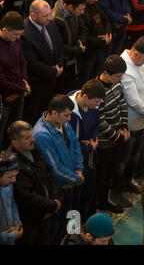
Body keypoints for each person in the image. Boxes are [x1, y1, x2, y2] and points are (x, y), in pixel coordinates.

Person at [112, 38, 144, 208]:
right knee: (122, 159)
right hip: (129, 120)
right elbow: (132, 100)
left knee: (136, 154)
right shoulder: (124, 67)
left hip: (143, 117)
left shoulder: (141, 63)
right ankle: (116, 191)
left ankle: (127, 182)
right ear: (136, 53)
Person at [33, 95, 84, 244]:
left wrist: (79, 170)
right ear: (54, 113)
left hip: (72, 182)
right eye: (66, 115)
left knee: (71, 221)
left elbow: (75, 145)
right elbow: (55, 168)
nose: (69, 119)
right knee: (55, 229)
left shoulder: (63, 124)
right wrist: (77, 179)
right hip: (59, 188)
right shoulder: (42, 135)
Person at [8, 120, 60, 245]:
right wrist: (52, 206)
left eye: (31, 135)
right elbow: (25, 196)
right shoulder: (11, 164)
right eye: (27, 138)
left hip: (46, 215)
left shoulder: (35, 150)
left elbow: (49, 175)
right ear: (15, 143)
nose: (33, 139)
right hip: (30, 221)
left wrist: (55, 199)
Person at [67, 80, 104, 223]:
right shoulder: (69, 111)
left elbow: (96, 125)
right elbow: (70, 143)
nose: (98, 104)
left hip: (89, 156)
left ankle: (84, 224)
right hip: (75, 162)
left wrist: (93, 139)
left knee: (88, 192)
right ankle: (72, 230)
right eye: (96, 101)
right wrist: (88, 147)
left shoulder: (93, 106)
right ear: (84, 97)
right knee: (75, 198)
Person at [21, 0, 64, 125]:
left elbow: (60, 47)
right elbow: (32, 63)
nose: (49, 18)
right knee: (36, 115)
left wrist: (60, 66)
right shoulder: (25, 34)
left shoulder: (50, 24)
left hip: (53, 80)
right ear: (33, 15)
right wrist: (54, 71)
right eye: (45, 16)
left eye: (49, 14)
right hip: (37, 84)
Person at [95, 55, 129, 214]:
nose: (120, 79)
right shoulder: (96, 91)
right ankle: (99, 202)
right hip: (105, 141)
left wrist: (124, 125)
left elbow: (122, 102)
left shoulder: (117, 84)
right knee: (102, 176)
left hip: (117, 137)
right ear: (106, 73)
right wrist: (118, 137)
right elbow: (100, 121)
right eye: (117, 76)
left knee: (111, 174)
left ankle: (104, 200)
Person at [0, 12, 29, 150]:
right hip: (4, 99)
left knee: (16, 132)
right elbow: (1, 80)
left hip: (18, 94)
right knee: (2, 134)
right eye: (16, 34)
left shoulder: (15, 40)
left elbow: (22, 61)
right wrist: (22, 89)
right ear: (4, 30)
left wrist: (24, 80)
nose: (18, 38)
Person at [51, 0, 88, 93]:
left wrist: (80, 42)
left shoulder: (75, 12)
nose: (82, 12)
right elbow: (58, 46)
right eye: (80, 9)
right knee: (62, 90)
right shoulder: (56, 19)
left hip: (72, 57)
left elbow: (83, 29)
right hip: (62, 61)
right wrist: (78, 49)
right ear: (70, 7)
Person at [79, 0, 113, 86]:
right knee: (86, 79)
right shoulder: (80, 8)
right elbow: (83, 34)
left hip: (101, 46)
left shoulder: (96, 4)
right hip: (90, 50)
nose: (97, 0)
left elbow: (106, 20)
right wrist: (102, 42)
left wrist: (107, 35)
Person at [0, 151, 22, 245]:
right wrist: (9, 236)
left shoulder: (7, 185)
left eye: (15, 175)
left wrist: (17, 223)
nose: (14, 180)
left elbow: (12, 202)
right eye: (10, 177)